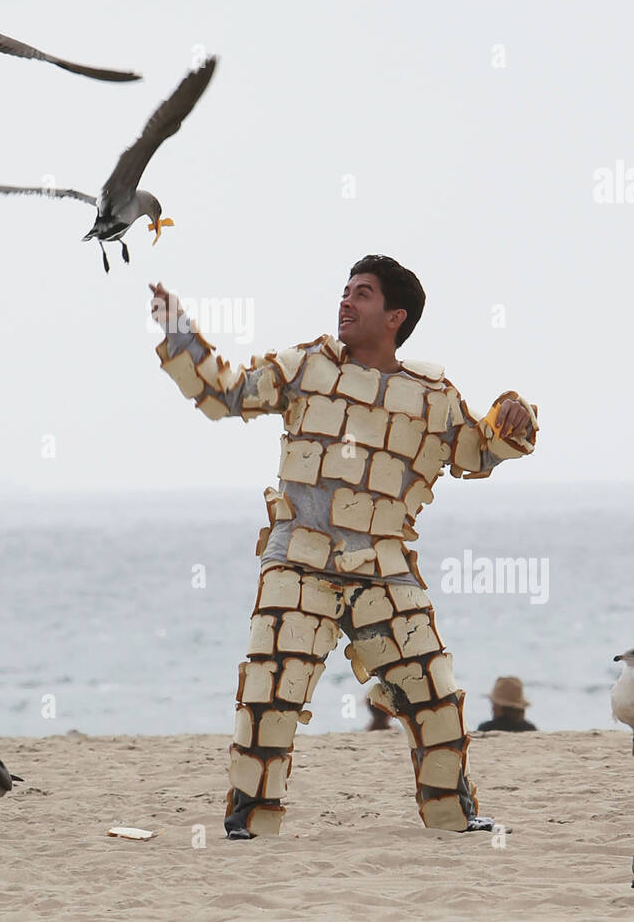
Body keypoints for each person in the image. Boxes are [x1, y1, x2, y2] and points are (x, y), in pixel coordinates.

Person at [149, 255, 539, 838]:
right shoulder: (305, 366)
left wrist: (516, 417)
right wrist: (180, 333)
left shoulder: (431, 395)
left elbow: (479, 450)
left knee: (436, 699)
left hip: (383, 567)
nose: (346, 302)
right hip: (299, 562)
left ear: (394, 317)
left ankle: (455, 819)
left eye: (363, 294)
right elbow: (224, 395)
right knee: (270, 699)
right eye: (346, 291)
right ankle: (247, 823)